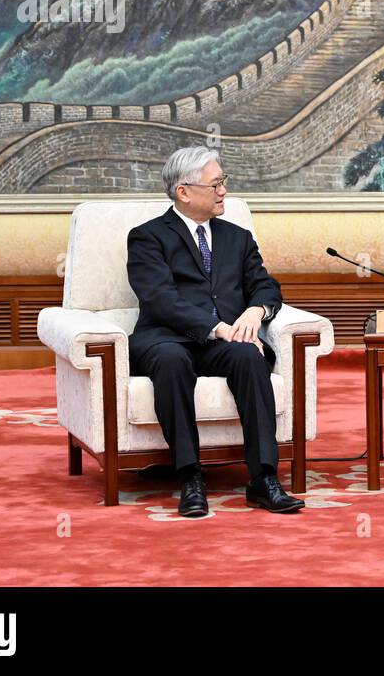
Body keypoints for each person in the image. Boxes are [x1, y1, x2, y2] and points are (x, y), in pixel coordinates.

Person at [126, 146, 302, 517]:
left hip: (224, 341)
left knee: (250, 355)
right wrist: (216, 327)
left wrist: (257, 310)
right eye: (216, 184)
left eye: (224, 182)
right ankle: (191, 478)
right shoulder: (147, 238)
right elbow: (160, 300)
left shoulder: (237, 237)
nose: (224, 191)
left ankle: (263, 479)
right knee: (172, 360)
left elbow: (267, 285)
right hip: (168, 338)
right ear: (183, 192)